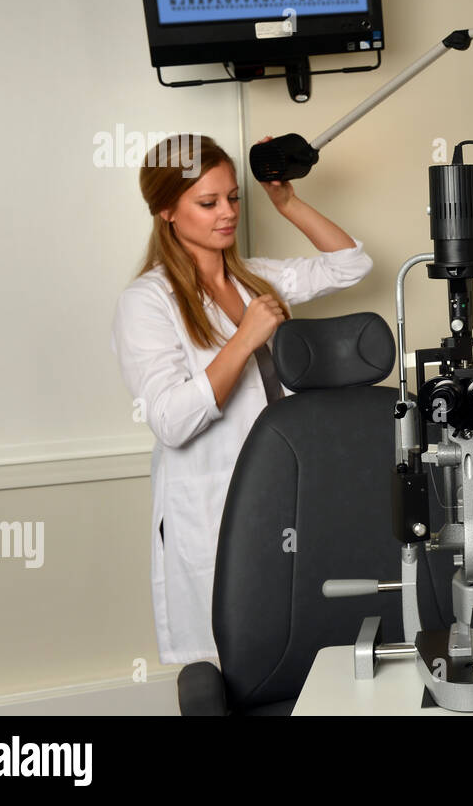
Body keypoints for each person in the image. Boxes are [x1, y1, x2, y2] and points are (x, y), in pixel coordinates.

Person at [110, 134, 374, 666]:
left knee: (300, 642)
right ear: (166, 210)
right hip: (214, 503)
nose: (227, 213)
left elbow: (351, 264)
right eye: (207, 203)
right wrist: (245, 338)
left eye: (232, 198)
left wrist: (288, 202)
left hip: (285, 487)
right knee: (236, 656)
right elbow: (169, 420)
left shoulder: (255, 279)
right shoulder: (146, 302)